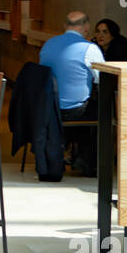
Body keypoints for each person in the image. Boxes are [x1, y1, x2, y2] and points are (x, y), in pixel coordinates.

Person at [38, 11, 104, 176]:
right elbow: (103, 80)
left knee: (83, 110)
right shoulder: (90, 48)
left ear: (65, 26)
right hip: (74, 111)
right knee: (101, 113)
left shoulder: (48, 45)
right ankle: (87, 161)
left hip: (48, 110)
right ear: (86, 27)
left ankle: (67, 151)